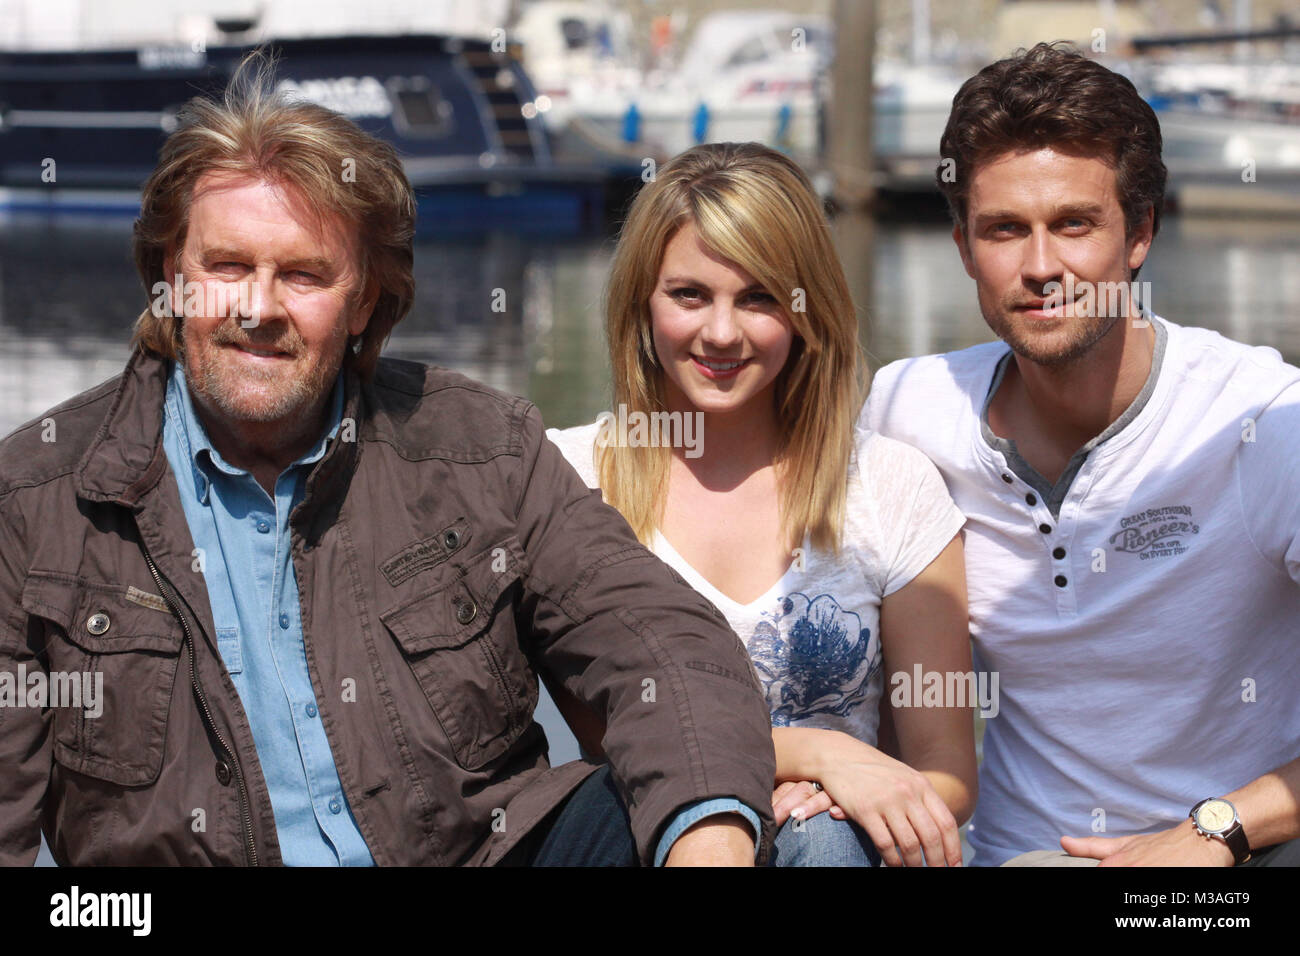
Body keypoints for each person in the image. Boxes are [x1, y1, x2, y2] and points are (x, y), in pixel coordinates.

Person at [0, 54, 779, 867]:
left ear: (366, 299)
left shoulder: (483, 446)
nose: (258, 309)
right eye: (227, 267)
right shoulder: (33, 498)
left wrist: (709, 839)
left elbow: (665, 645)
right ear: (172, 275)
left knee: (774, 827)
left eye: (304, 275)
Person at [863, 41, 1300, 866]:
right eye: (1003, 230)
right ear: (963, 248)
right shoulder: (907, 410)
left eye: (1073, 224)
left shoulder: (1261, 421)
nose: (1040, 267)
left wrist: (1218, 831)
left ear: (1139, 235)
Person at [546, 142, 978, 866]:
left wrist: (837, 791)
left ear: (808, 311)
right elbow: (611, 738)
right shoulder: (571, 479)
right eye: (689, 296)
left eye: (759, 298)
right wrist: (815, 752)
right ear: (641, 303)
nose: (721, 333)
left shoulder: (891, 484)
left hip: (834, 846)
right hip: (640, 838)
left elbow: (947, 772)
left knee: (825, 839)